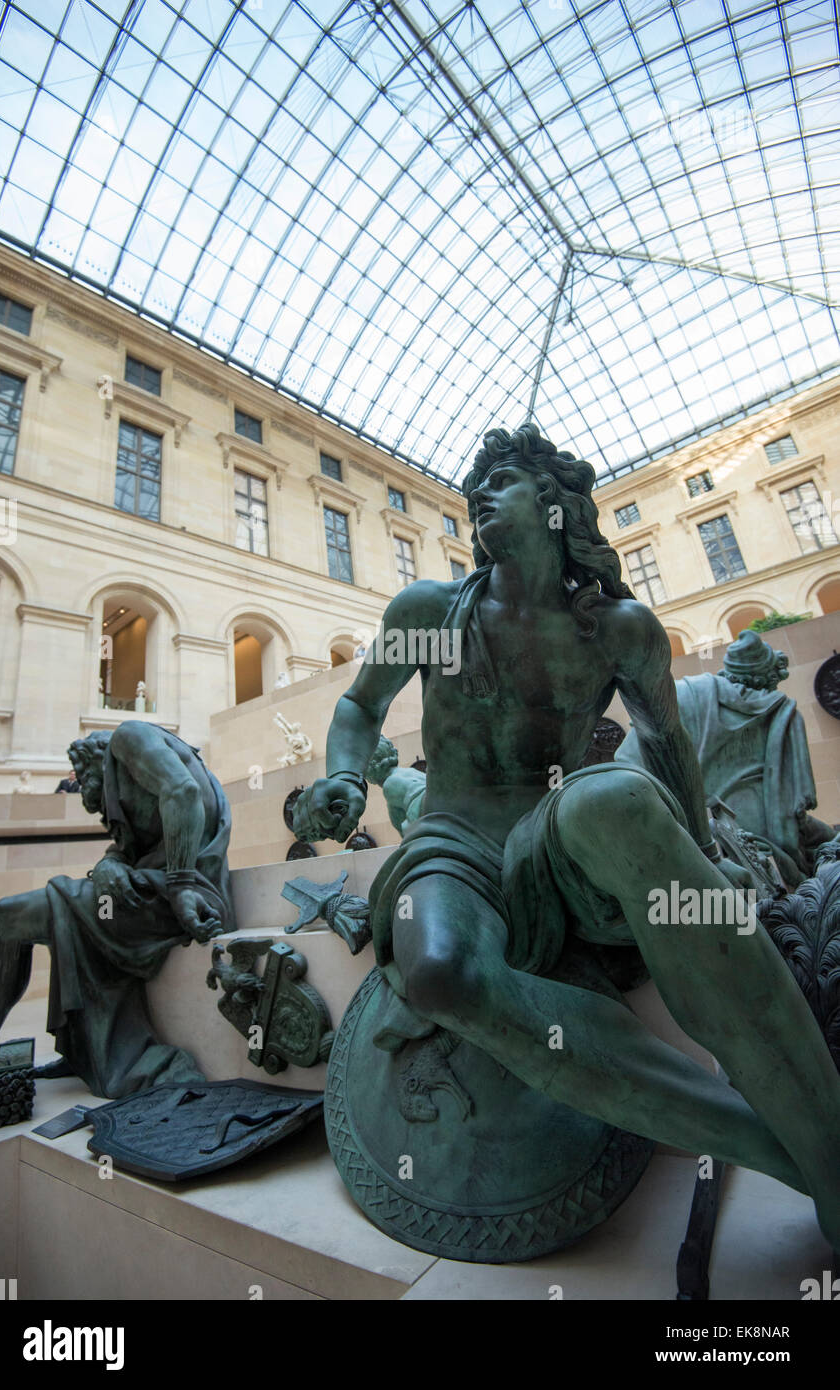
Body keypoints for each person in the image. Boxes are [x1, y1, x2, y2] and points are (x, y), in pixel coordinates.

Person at [294, 422, 840, 1249]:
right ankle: (799, 1158)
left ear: (553, 506)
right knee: (440, 972)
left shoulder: (618, 630)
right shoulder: (432, 613)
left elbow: (663, 742)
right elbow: (358, 708)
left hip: (555, 838)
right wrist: (340, 776)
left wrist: (700, 848)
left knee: (614, 796)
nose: (478, 495)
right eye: (475, 486)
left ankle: (821, 1139)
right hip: (451, 842)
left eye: (501, 481)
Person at [0, 723, 234, 1097]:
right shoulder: (147, 761)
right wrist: (112, 865)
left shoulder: (128, 738)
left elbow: (182, 791)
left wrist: (179, 886)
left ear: (93, 763)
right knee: (81, 913)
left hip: (173, 900)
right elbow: (130, 849)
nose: (85, 798)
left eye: (81, 782)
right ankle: (84, 1047)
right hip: (151, 894)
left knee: (8, 916)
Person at [619, 627, 836, 883]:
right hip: (756, 837)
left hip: (688, 835)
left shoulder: (687, 690)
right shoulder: (782, 710)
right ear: (767, 678)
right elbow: (797, 806)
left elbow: (626, 762)